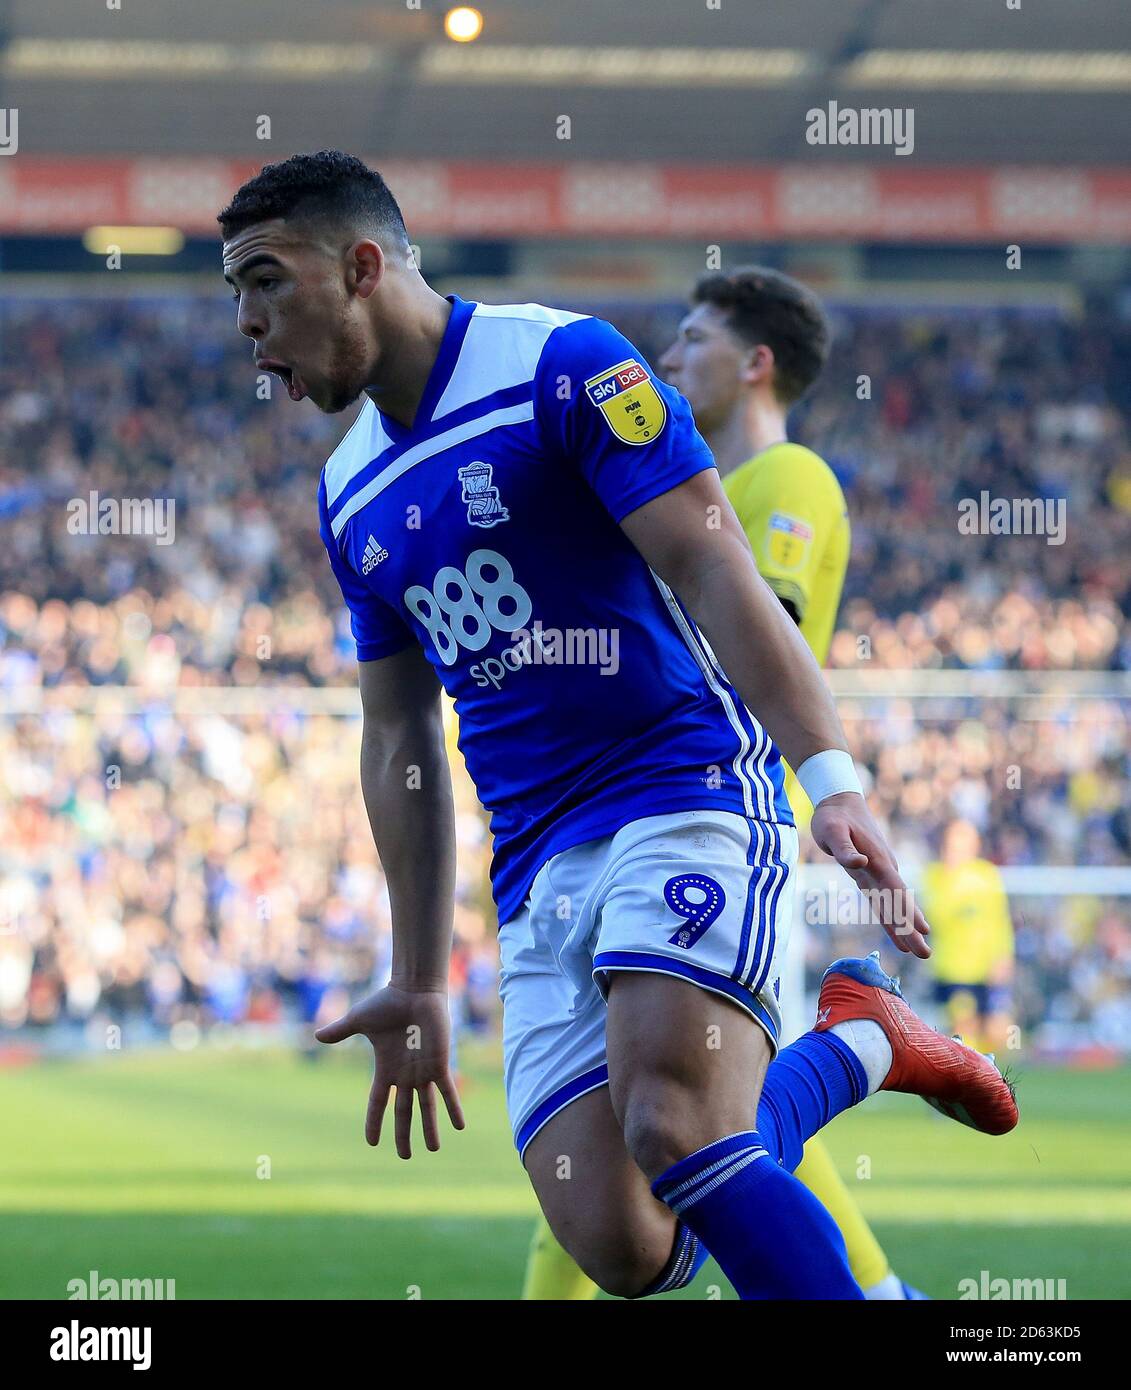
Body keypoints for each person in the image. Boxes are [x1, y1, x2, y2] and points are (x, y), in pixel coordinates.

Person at [219, 151, 1017, 1301]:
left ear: (360, 265)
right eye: (235, 297)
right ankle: (863, 1042)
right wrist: (419, 977)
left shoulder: (563, 363)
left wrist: (830, 773)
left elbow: (713, 561)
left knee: (675, 1126)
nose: (248, 325)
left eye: (264, 282)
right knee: (628, 1245)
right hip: (537, 861)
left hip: (678, 785)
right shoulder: (347, 490)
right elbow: (398, 740)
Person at [521, 265, 919, 1301]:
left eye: (692, 338)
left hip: (715, 817)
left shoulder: (788, 481)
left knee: (682, 1125)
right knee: (640, 1133)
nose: (667, 356)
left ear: (755, 363)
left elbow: (759, 629)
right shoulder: (668, 490)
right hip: (635, 812)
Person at [920, 820, 1016, 1055]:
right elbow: (934, 918)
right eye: (952, 845)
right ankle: (971, 1077)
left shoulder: (987, 875)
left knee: (998, 1030)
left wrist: (1004, 955)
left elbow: (1000, 921)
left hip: (987, 967)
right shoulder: (934, 876)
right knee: (964, 1028)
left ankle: (987, 1074)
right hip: (953, 969)